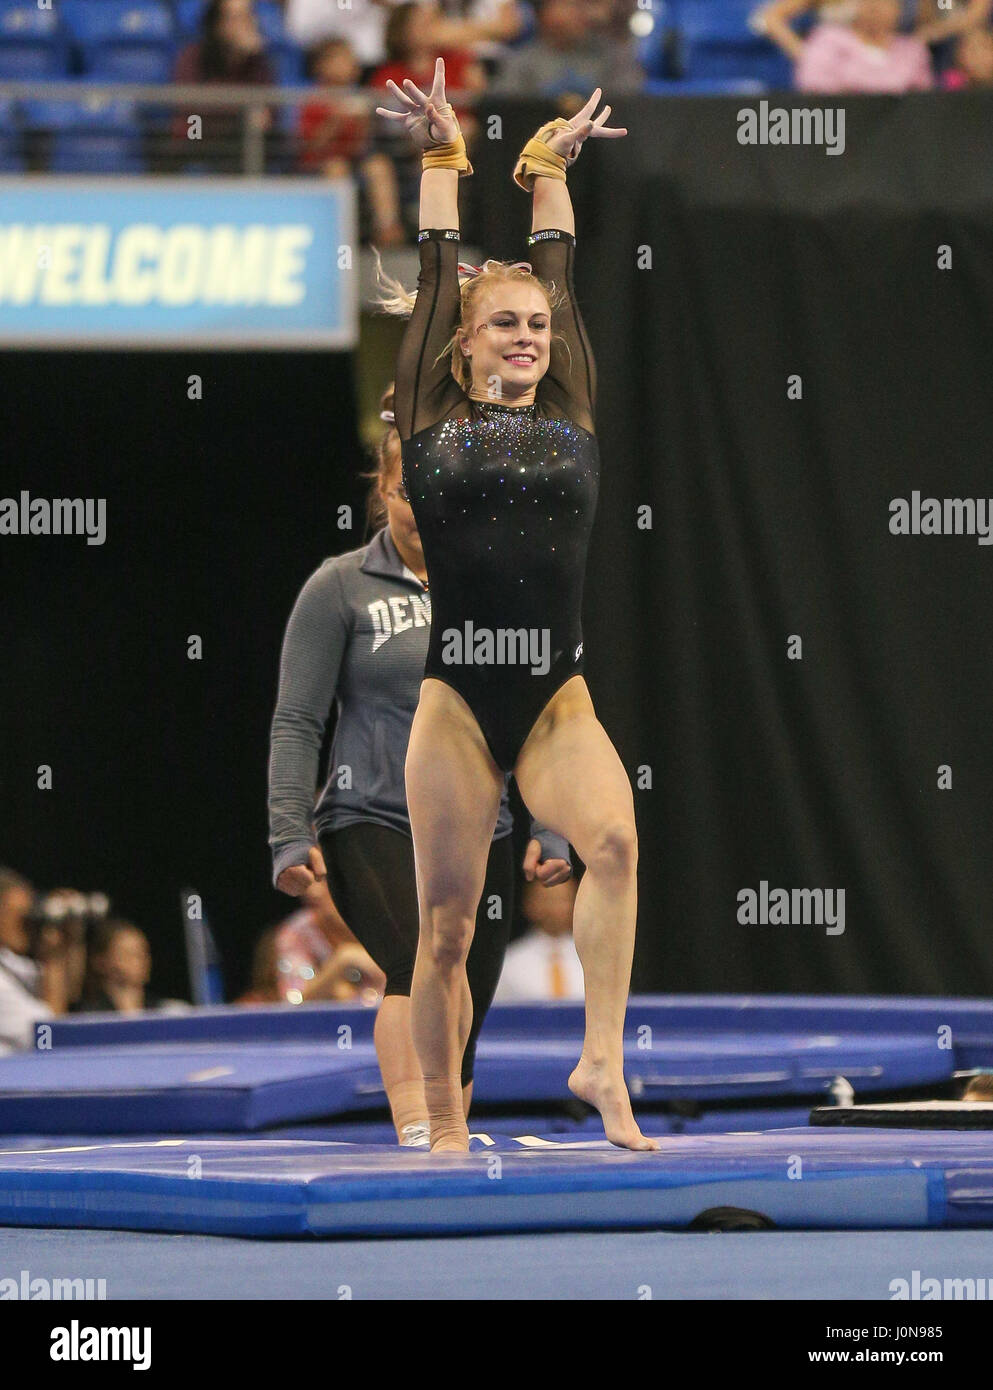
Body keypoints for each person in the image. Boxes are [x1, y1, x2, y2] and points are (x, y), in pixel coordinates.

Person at [376, 59, 657, 1151]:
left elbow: (561, 263)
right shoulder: (433, 410)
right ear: (465, 342)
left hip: (553, 697)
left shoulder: (572, 398)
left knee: (616, 844)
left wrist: (549, 163)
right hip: (455, 702)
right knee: (444, 934)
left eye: (537, 325)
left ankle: (602, 1063)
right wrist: (444, 152)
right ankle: (445, 1121)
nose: (528, 337)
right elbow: (441, 263)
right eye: (505, 327)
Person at [268, 387, 571, 1144]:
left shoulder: (497, 589)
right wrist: (285, 831)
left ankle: (454, 1138)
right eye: (407, 493)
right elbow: (297, 716)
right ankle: (417, 1133)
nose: (422, 510)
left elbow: (537, 717)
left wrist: (554, 829)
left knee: (469, 988)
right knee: (417, 967)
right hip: (369, 814)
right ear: (382, 488)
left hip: (479, 823)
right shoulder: (339, 586)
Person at [300, 38, 406, 245]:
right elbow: (311, 146)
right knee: (337, 168)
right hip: (319, 164)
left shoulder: (359, 97)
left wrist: (363, 121)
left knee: (378, 166)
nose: (350, 64)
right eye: (342, 59)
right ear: (322, 65)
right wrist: (336, 119)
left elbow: (361, 146)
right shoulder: (313, 100)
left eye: (350, 59)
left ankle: (387, 229)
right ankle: (339, 235)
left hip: (354, 160)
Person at [172, 0, 275, 172]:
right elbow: (190, 104)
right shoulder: (193, 55)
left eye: (249, 16)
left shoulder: (257, 59)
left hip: (239, 140)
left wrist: (245, 59)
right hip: (198, 135)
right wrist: (244, 109)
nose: (248, 24)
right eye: (239, 18)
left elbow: (270, 105)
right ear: (219, 24)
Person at [757, 0, 932, 90]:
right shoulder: (829, 37)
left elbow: (927, 19)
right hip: (834, 58)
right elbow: (772, 17)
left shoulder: (909, 47)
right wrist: (807, 56)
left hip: (885, 54)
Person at [490, 0, 644, 101]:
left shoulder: (613, 57)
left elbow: (628, 102)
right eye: (570, 5)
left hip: (600, 144)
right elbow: (507, 109)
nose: (581, 13)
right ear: (544, 13)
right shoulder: (521, 62)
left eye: (583, 5)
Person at [0, 868, 68, 1052]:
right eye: (22, 918)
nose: (29, 927)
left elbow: (69, 991)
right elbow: (48, 1035)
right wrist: (53, 960)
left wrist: (73, 942)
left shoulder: (8, 962)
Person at [494, 874, 583, 1001]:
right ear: (529, 904)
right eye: (548, 900)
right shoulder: (509, 963)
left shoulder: (594, 961)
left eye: (564, 900)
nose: (556, 908)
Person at [73, 919, 160, 1014]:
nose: (140, 960)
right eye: (128, 954)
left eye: (143, 953)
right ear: (100, 961)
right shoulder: (90, 1015)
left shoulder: (163, 1011)